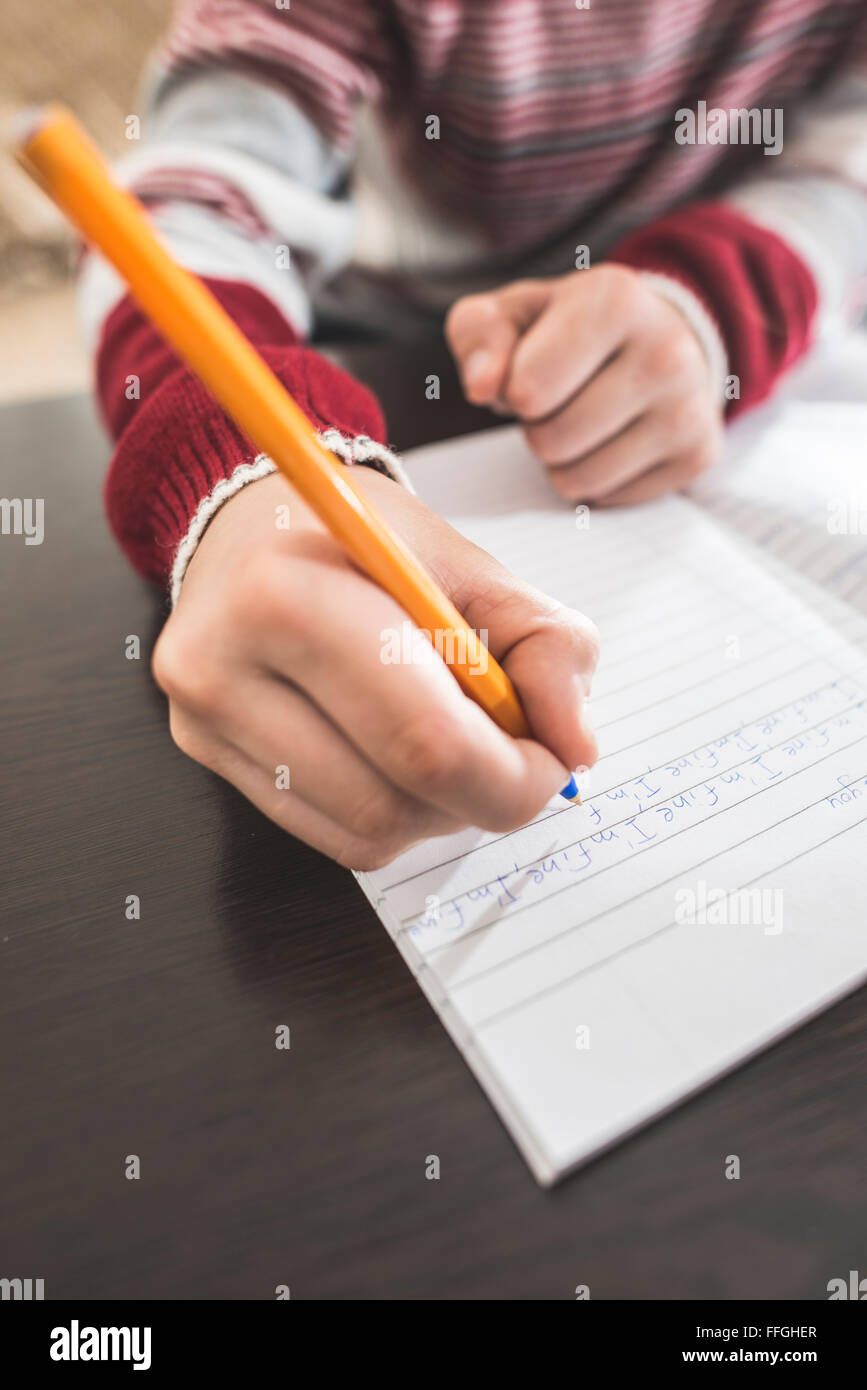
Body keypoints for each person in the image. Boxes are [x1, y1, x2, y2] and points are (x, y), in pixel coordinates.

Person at [80, 0, 867, 869]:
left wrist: (715, 300)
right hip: (349, 354)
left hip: (709, 347)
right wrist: (239, 467)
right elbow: (186, 210)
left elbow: (850, 154)